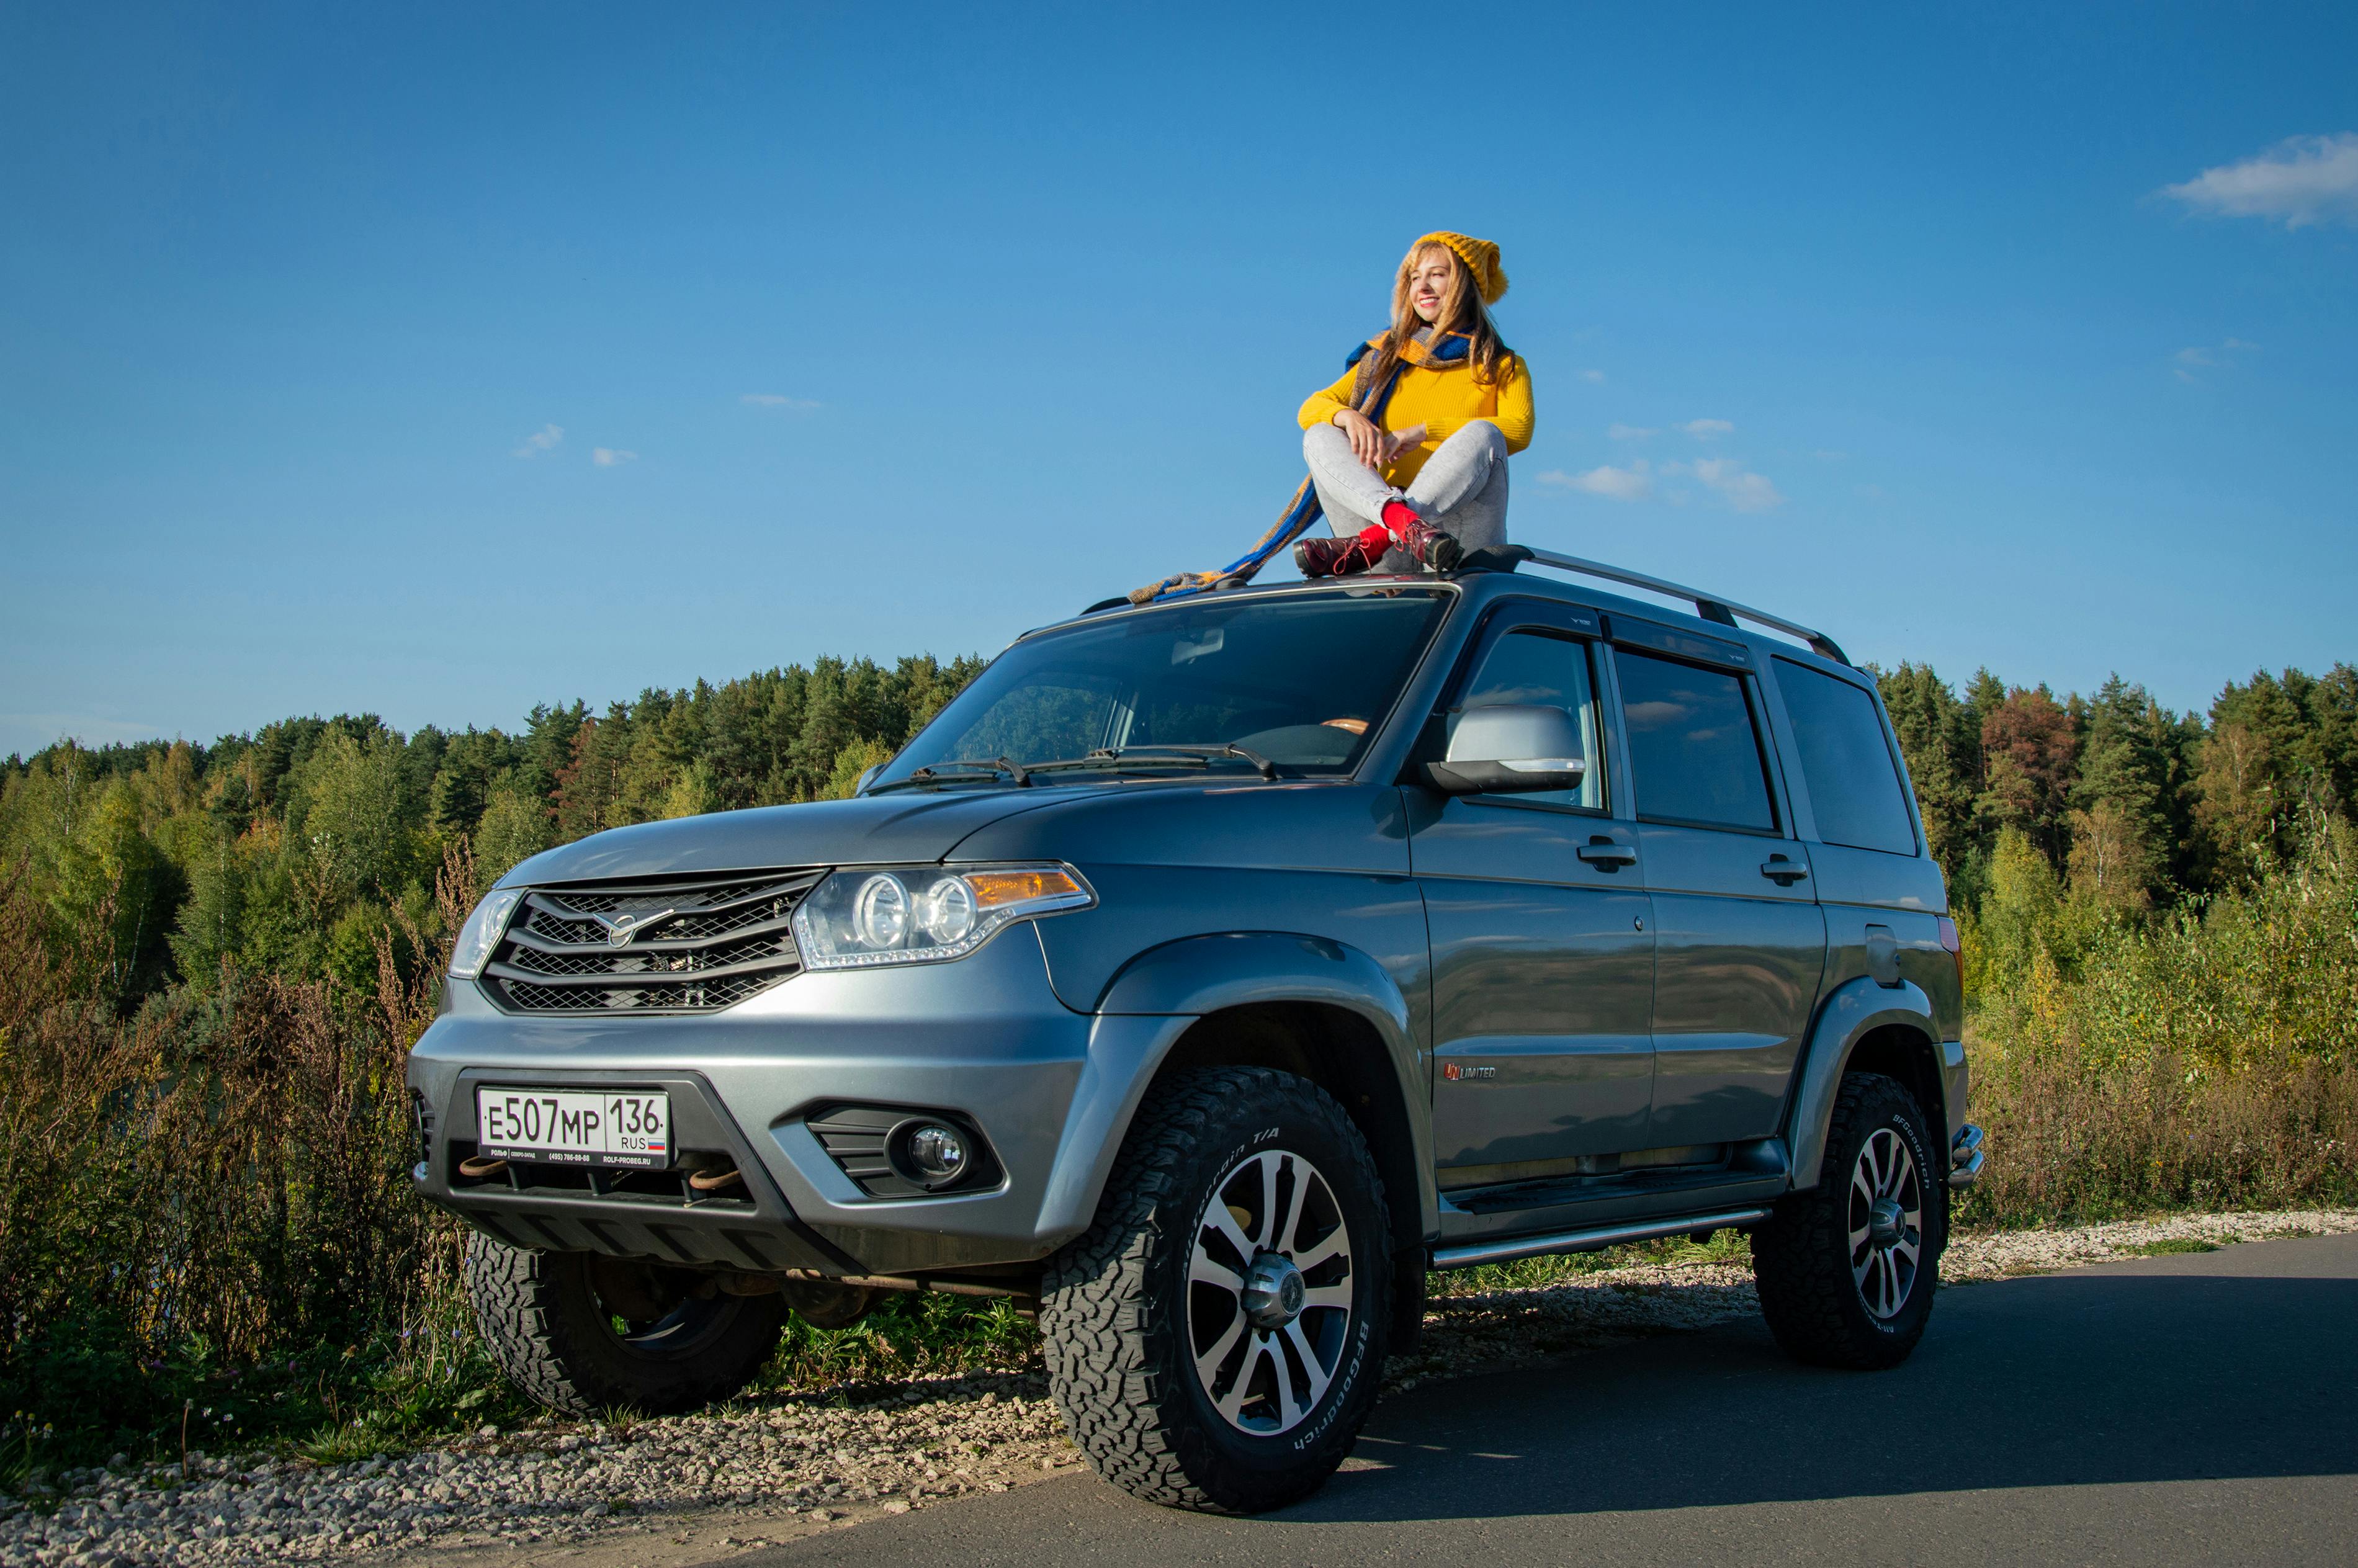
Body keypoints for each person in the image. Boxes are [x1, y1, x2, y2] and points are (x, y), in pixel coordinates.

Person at [1293, 232, 1533, 578]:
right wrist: (1347, 416)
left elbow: (1519, 430)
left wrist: (1425, 432)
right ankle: (1397, 522)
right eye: (1414, 277)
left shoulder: (1501, 364)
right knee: (1320, 433)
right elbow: (1312, 407)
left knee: (1485, 432)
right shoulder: (1384, 359)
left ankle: (1379, 536)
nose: (1423, 286)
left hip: (1457, 539)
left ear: (1466, 283)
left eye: (1437, 274)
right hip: (1381, 532)